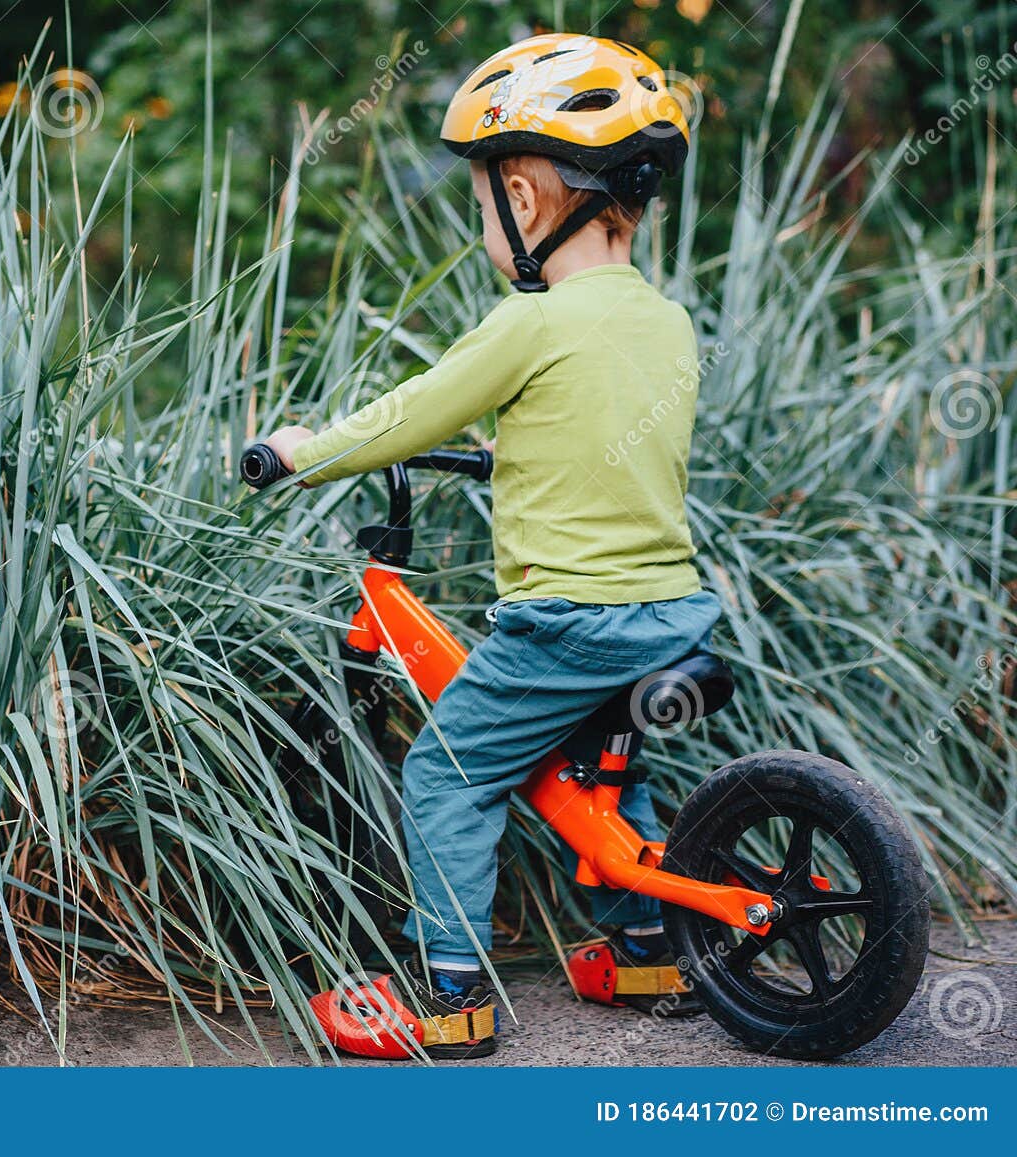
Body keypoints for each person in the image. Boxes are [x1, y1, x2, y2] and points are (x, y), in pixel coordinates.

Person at [263, 33, 719, 1059]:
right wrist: (522, 443)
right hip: (672, 612)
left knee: (447, 777)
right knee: (604, 772)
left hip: (570, 621)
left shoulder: (531, 322)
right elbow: (608, 430)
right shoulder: (666, 322)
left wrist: (302, 453)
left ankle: (453, 995)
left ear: (521, 199)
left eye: (483, 206)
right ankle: (646, 951)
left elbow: (410, 412)